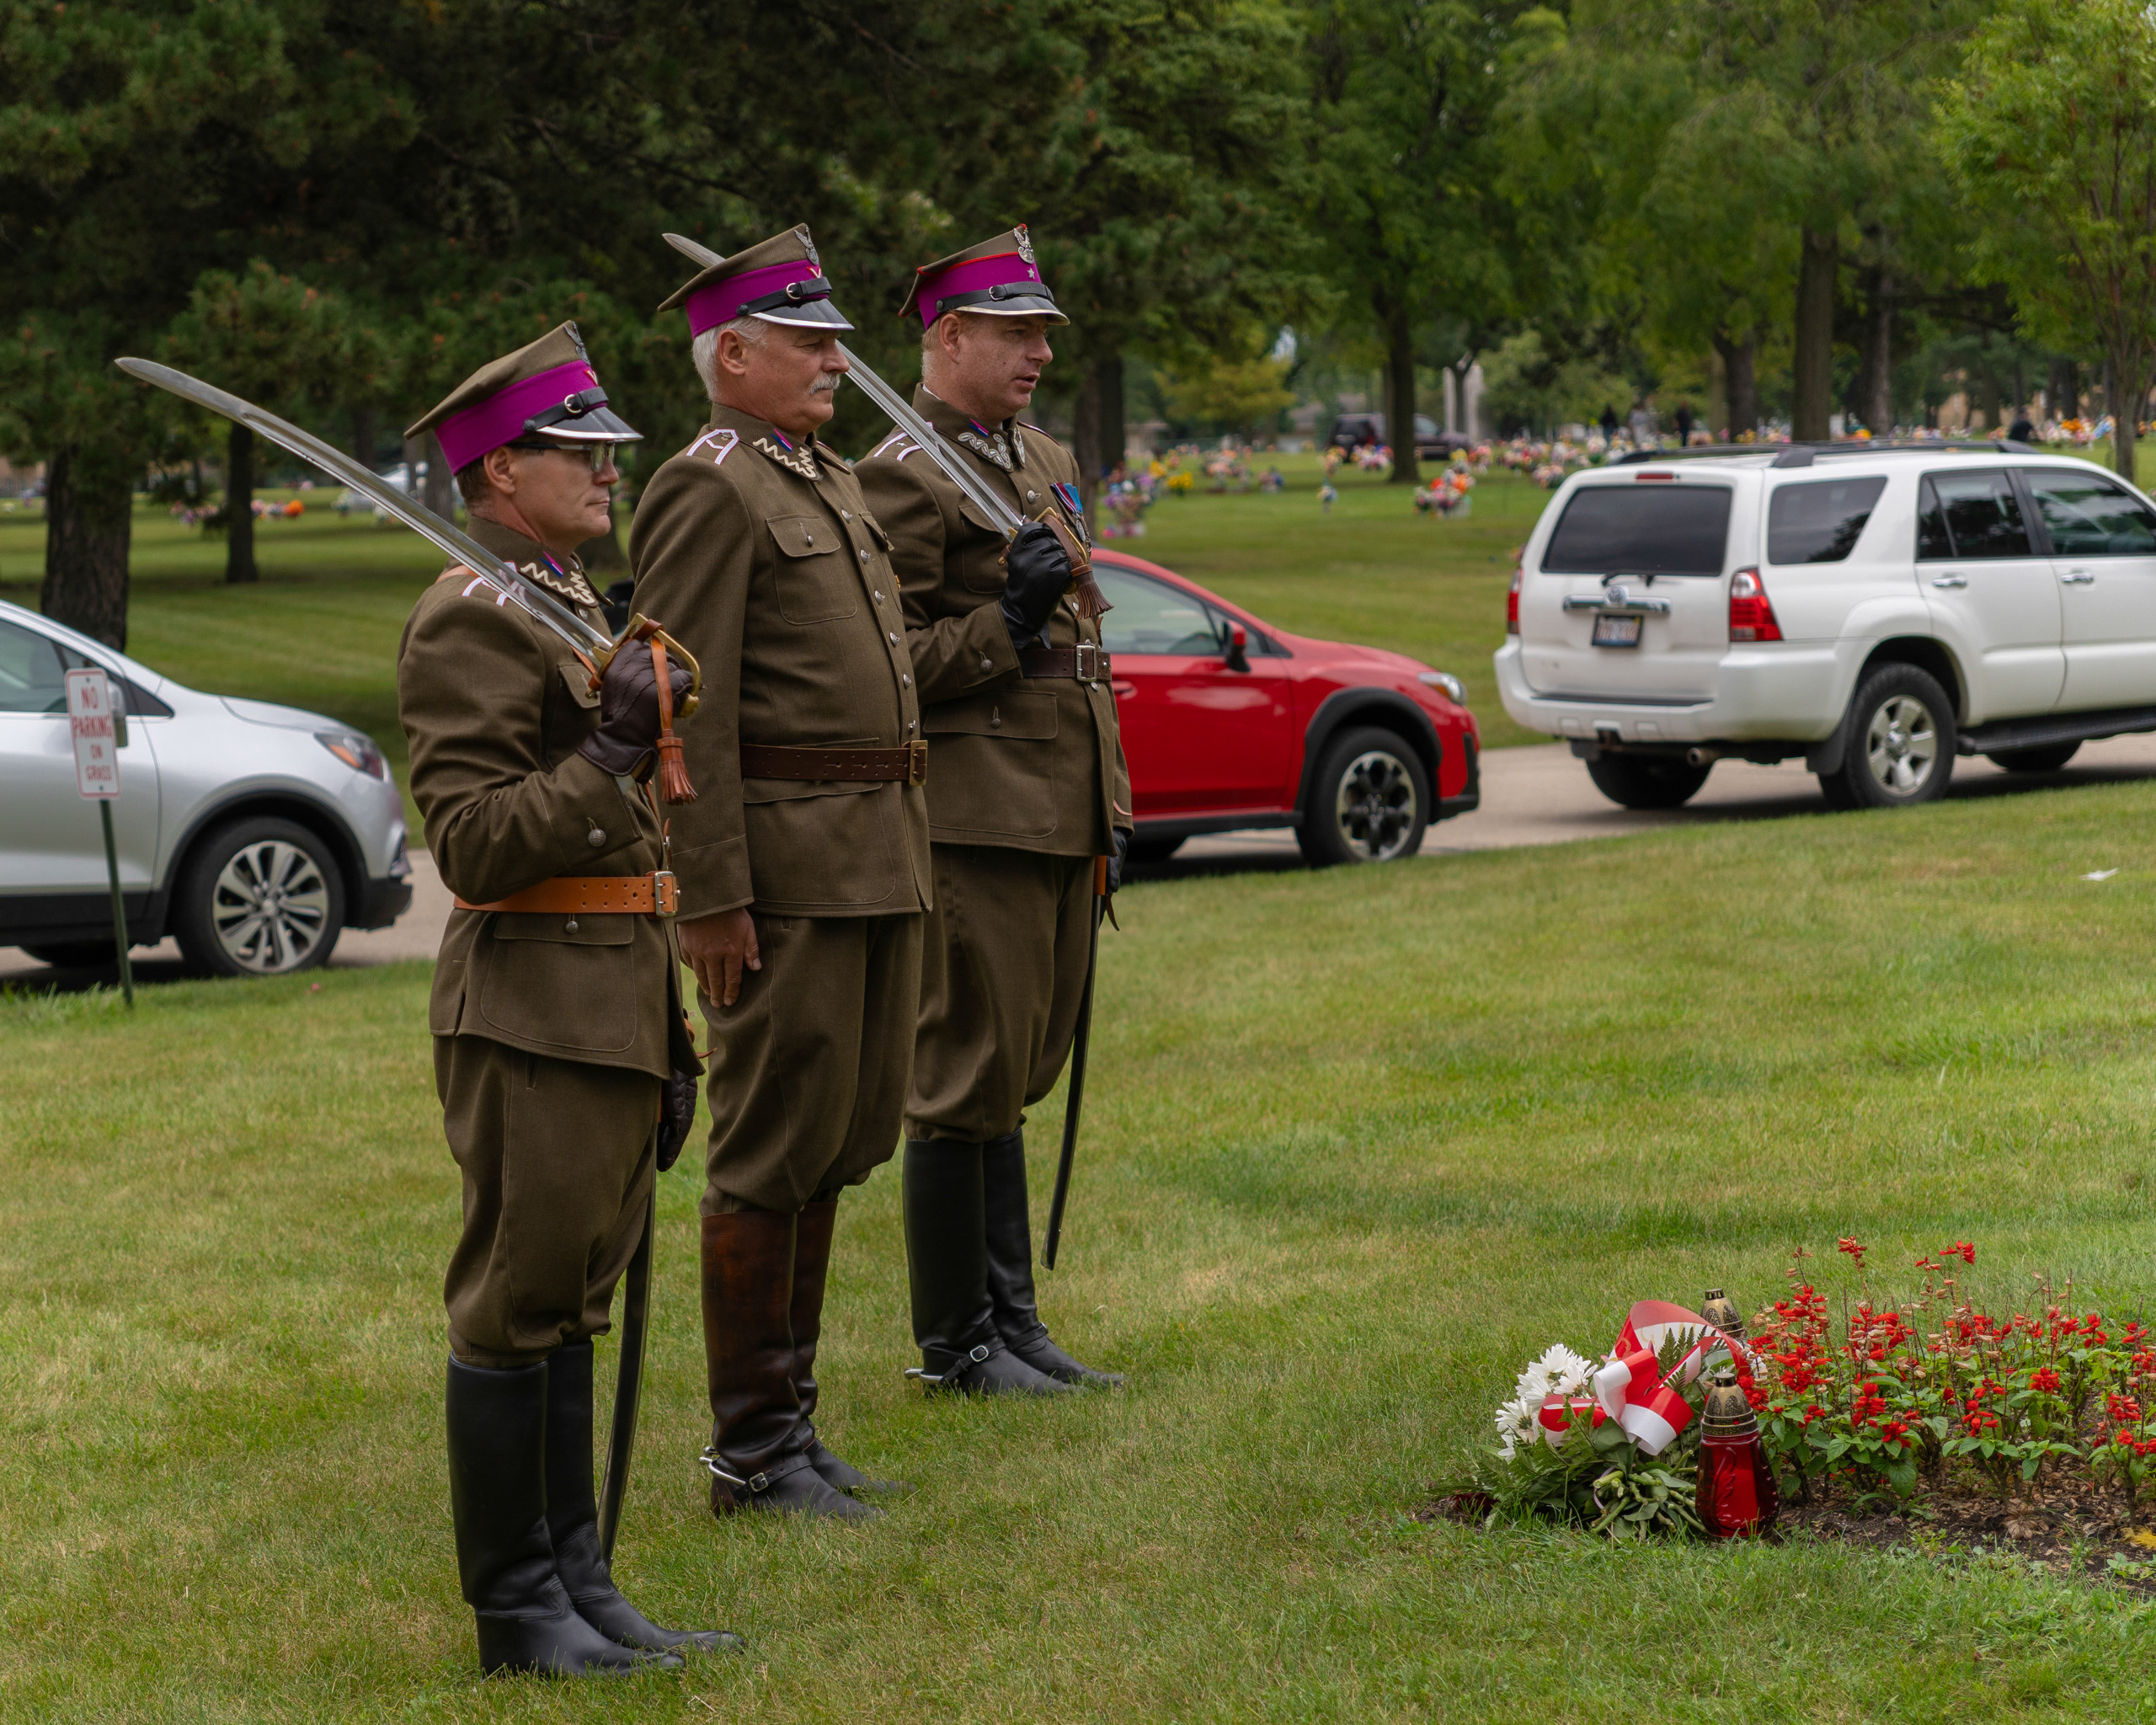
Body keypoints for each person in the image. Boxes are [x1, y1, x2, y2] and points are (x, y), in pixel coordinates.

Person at [398, 322, 739, 1676]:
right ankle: (519, 1612)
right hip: (532, 1005)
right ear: (498, 478)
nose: (609, 469)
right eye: (578, 451)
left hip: (608, 996)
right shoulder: (467, 618)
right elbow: (475, 846)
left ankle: (581, 1584)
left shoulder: (571, 604)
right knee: (516, 1302)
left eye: (608, 448)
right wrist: (607, 751)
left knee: (577, 1303)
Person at [630, 226, 930, 1519]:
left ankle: (791, 1427)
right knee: (769, 1148)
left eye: (835, 342)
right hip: (788, 879)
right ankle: (751, 1450)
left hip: (875, 861)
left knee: (842, 1136)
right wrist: (710, 895)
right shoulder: (710, 487)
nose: (831, 363)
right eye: (807, 344)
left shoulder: (821, 476)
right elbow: (681, 711)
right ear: (731, 356)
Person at [857, 227, 1132, 1397]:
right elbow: (887, 660)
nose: (1036, 353)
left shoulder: (1039, 453)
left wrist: (1107, 797)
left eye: (1044, 334)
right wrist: (1004, 626)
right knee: (966, 1064)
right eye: (1013, 333)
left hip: (1059, 796)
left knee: (1020, 1060)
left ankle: (1012, 1321)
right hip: (979, 807)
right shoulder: (901, 472)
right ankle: (956, 1342)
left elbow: (1089, 642)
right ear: (947, 335)